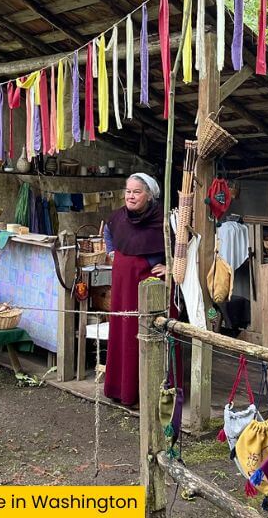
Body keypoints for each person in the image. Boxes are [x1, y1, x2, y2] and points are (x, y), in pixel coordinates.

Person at [102, 173, 180, 406]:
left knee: (147, 335)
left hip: (150, 288)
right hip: (122, 287)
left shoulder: (163, 222)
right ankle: (121, 389)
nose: (130, 196)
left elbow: (183, 245)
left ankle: (153, 392)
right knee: (123, 333)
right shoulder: (118, 217)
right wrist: (113, 253)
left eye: (137, 192)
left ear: (149, 195)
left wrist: (171, 266)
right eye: (128, 191)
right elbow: (108, 230)